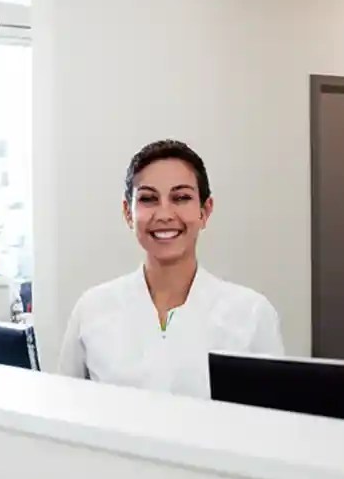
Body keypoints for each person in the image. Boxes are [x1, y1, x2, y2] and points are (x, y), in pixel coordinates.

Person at [56, 139, 284, 398]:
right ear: (128, 213)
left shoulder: (251, 314)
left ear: (205, 211)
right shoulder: (92, 309)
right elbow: (64, 412)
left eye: (181, 197)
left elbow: (272, 424)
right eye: (148, 199)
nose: (164, 214)